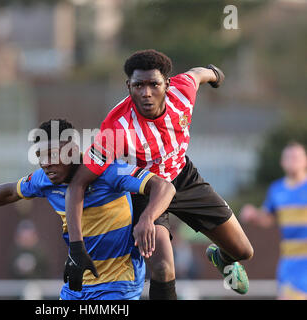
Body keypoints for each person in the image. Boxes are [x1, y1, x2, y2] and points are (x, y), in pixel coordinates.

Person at [64, 49, 254, 299]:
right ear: (128, 85)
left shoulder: (183, 91)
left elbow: (199, 74)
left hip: (183, 178)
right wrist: (76, 246)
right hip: (145, 192)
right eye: (138, 85)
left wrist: (216, 75)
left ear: (167, 83)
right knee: (164, 268)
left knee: (243, 251)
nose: (146, 92)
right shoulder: (116, 128)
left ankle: (221, 257)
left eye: (153, 84)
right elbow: (78, 184)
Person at [0, 119, 175, 300]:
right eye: (40, 157)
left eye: (52, 154)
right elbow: (9, 192)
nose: (45, 163)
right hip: (76, 285)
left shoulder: (109, 170)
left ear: (73, 150)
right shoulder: (45, 180)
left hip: (118, 284)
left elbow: (164, 187)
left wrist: (147, 218)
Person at [240, 141, 307, 299]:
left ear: (305, 160)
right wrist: (253, 215)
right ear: (282, 162)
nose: (293, 160)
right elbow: (268, 219)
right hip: (289, 259)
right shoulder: (276, 190)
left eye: (297, 156)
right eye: (289, 157)